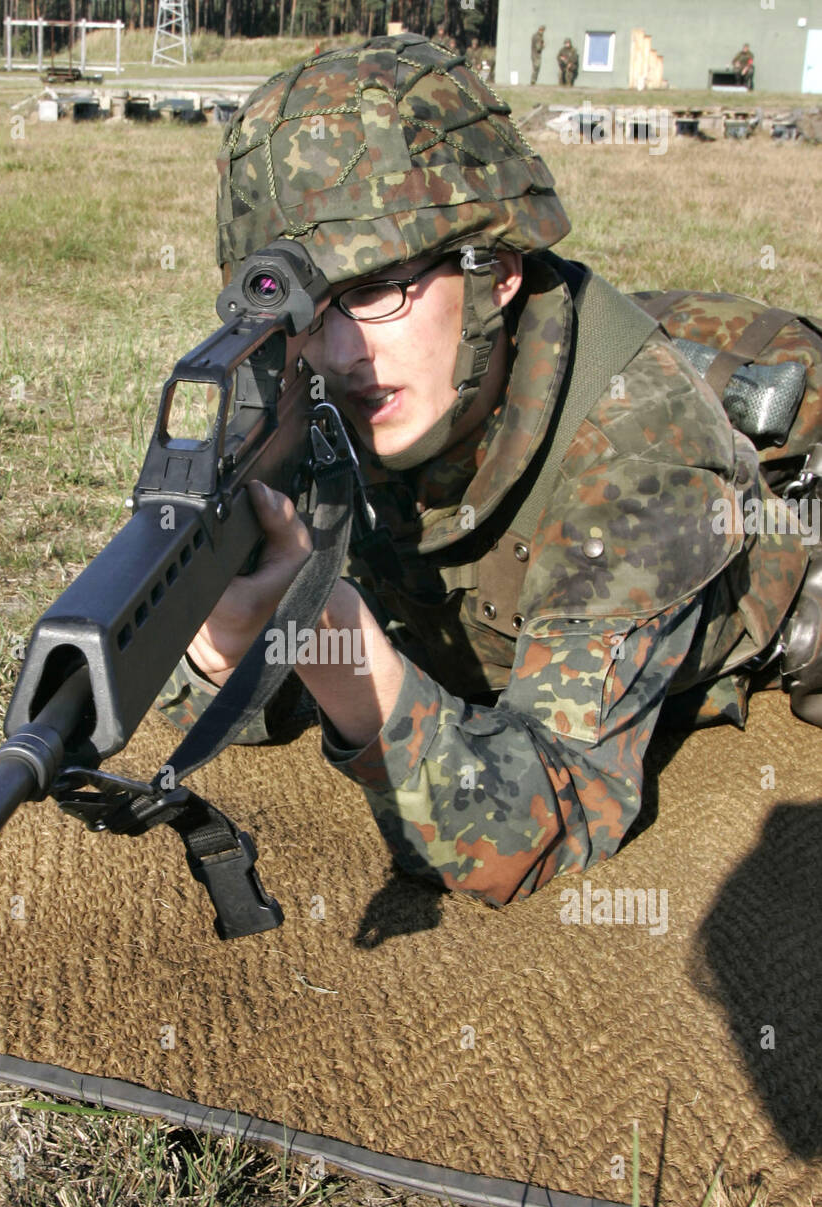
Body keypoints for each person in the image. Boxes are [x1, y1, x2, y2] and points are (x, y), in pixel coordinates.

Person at [154, 35, 820, 905]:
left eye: (373, 289)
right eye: (310, 308)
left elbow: (537, 827)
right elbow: (183, 699)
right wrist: (227, 637)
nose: (339, 350)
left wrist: (328, 630)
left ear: (495, 273)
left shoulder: (640, 464)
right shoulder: (321, 388)